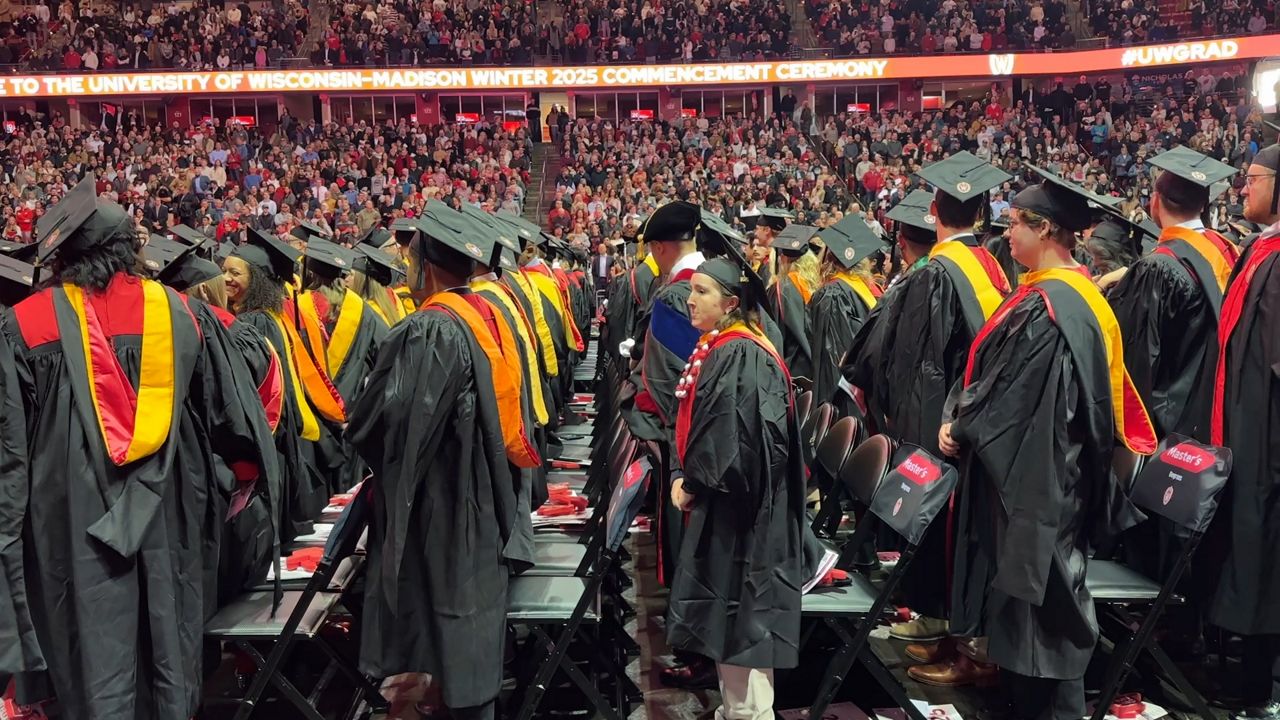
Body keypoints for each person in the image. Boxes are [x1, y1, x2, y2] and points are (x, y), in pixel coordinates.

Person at [2, 180, 278, 719]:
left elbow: (10, 456)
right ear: (128, 250)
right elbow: (234, 419)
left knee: (89, 649)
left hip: (68, 525)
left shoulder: (26, 325)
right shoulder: (181, 313)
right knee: (168, 644)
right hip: (168, 517)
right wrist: (240, 483)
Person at [941, 169, 1156, 720]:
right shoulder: (1055, 295)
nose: (1006, 233)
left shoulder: (1053, 305)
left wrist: (962, 424)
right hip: (1043, 476)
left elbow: (1018, 399)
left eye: (1015, 223)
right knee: (1031, 606)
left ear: (1047, 230)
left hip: (1046, 481)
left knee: (1049, 608)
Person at [346, 205, 535, 720]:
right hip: (483, 486)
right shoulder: (488, 312)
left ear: (424, 262)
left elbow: (390, 424)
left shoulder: (433, 327)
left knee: (454, 610)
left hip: (449, 497)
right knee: (461, 619)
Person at [842, 151, 1013, 678]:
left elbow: (918, 364)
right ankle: (948, 629)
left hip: (942, 426)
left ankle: (967, 646)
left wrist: (905, 427)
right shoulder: (990, 264)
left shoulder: (935, 273)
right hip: (973, 418)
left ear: (935, 209)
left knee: (946, 528)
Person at [668, 254, 808, 720]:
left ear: (731, 301)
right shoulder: (725, 343)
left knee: (742, 617)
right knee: (731, 619)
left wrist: (693, 480)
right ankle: (737, 711)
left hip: (743, 510)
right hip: (735, 504)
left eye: (702, 292)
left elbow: (737, 439)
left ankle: (748, 714)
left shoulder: (740, 351)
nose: (690, 300)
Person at [1205, 136, 1280, 720]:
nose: (1243, 186)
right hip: (1246, 435)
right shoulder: (1260, 251)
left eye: (1253, 178)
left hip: (1268, 443)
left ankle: (1256, 681)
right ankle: (1242, 667)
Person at [225, 228, 341, 541]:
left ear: (257, 279)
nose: (225, 279)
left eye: (235, 272)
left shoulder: (255, 322)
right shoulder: (272, 316)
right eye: (223, 271)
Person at [301, 238, 388, 493]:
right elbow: (389, 354)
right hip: (350, 420)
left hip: (311, 423)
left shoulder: (297, 307)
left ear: (309, 271)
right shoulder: (362, 310)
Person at [807, 214, 884, 413]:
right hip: (869, 390)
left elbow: (831, 360)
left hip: (845, 398)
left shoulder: (832, 294)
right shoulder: (870, 289)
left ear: (828, 258)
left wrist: (830, 411)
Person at [768, 224, 820, 380]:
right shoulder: (815, 285)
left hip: (791, 367)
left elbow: (775, 332)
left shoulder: (782, 287)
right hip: (813, 364)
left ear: (783, 258)